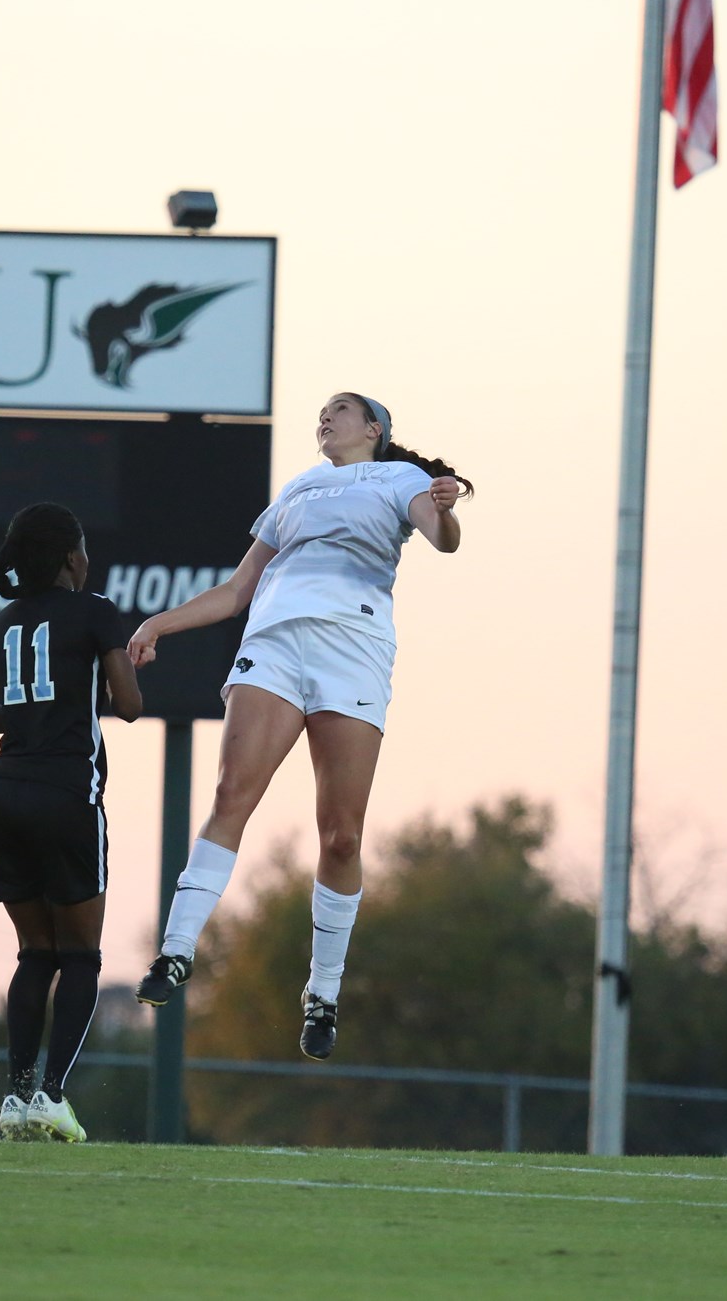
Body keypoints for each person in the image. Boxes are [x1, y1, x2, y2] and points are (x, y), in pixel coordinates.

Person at [126, 392, 471, 1061]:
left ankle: (323, 991)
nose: (326, 416)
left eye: (341, 409)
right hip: (276, 643)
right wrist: (157, 623)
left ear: (374, 428)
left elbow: (442, 538)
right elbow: (235, 592)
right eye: (323, 410)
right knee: (232, 795)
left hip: (353, 648)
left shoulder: (400, 479)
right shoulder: (297, 489)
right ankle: (174, 952)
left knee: (341, 835)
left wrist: (447, 509)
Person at [0, 502, 143, 1143]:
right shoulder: (96, 609)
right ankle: (52, 1096)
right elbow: (131, 706)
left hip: (1, 796)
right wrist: (103, 679)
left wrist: (35, 717)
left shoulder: (4, 621)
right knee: (81, 957)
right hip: (65, 797)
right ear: (71, 558)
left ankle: (13, 1098)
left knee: (35, 953)